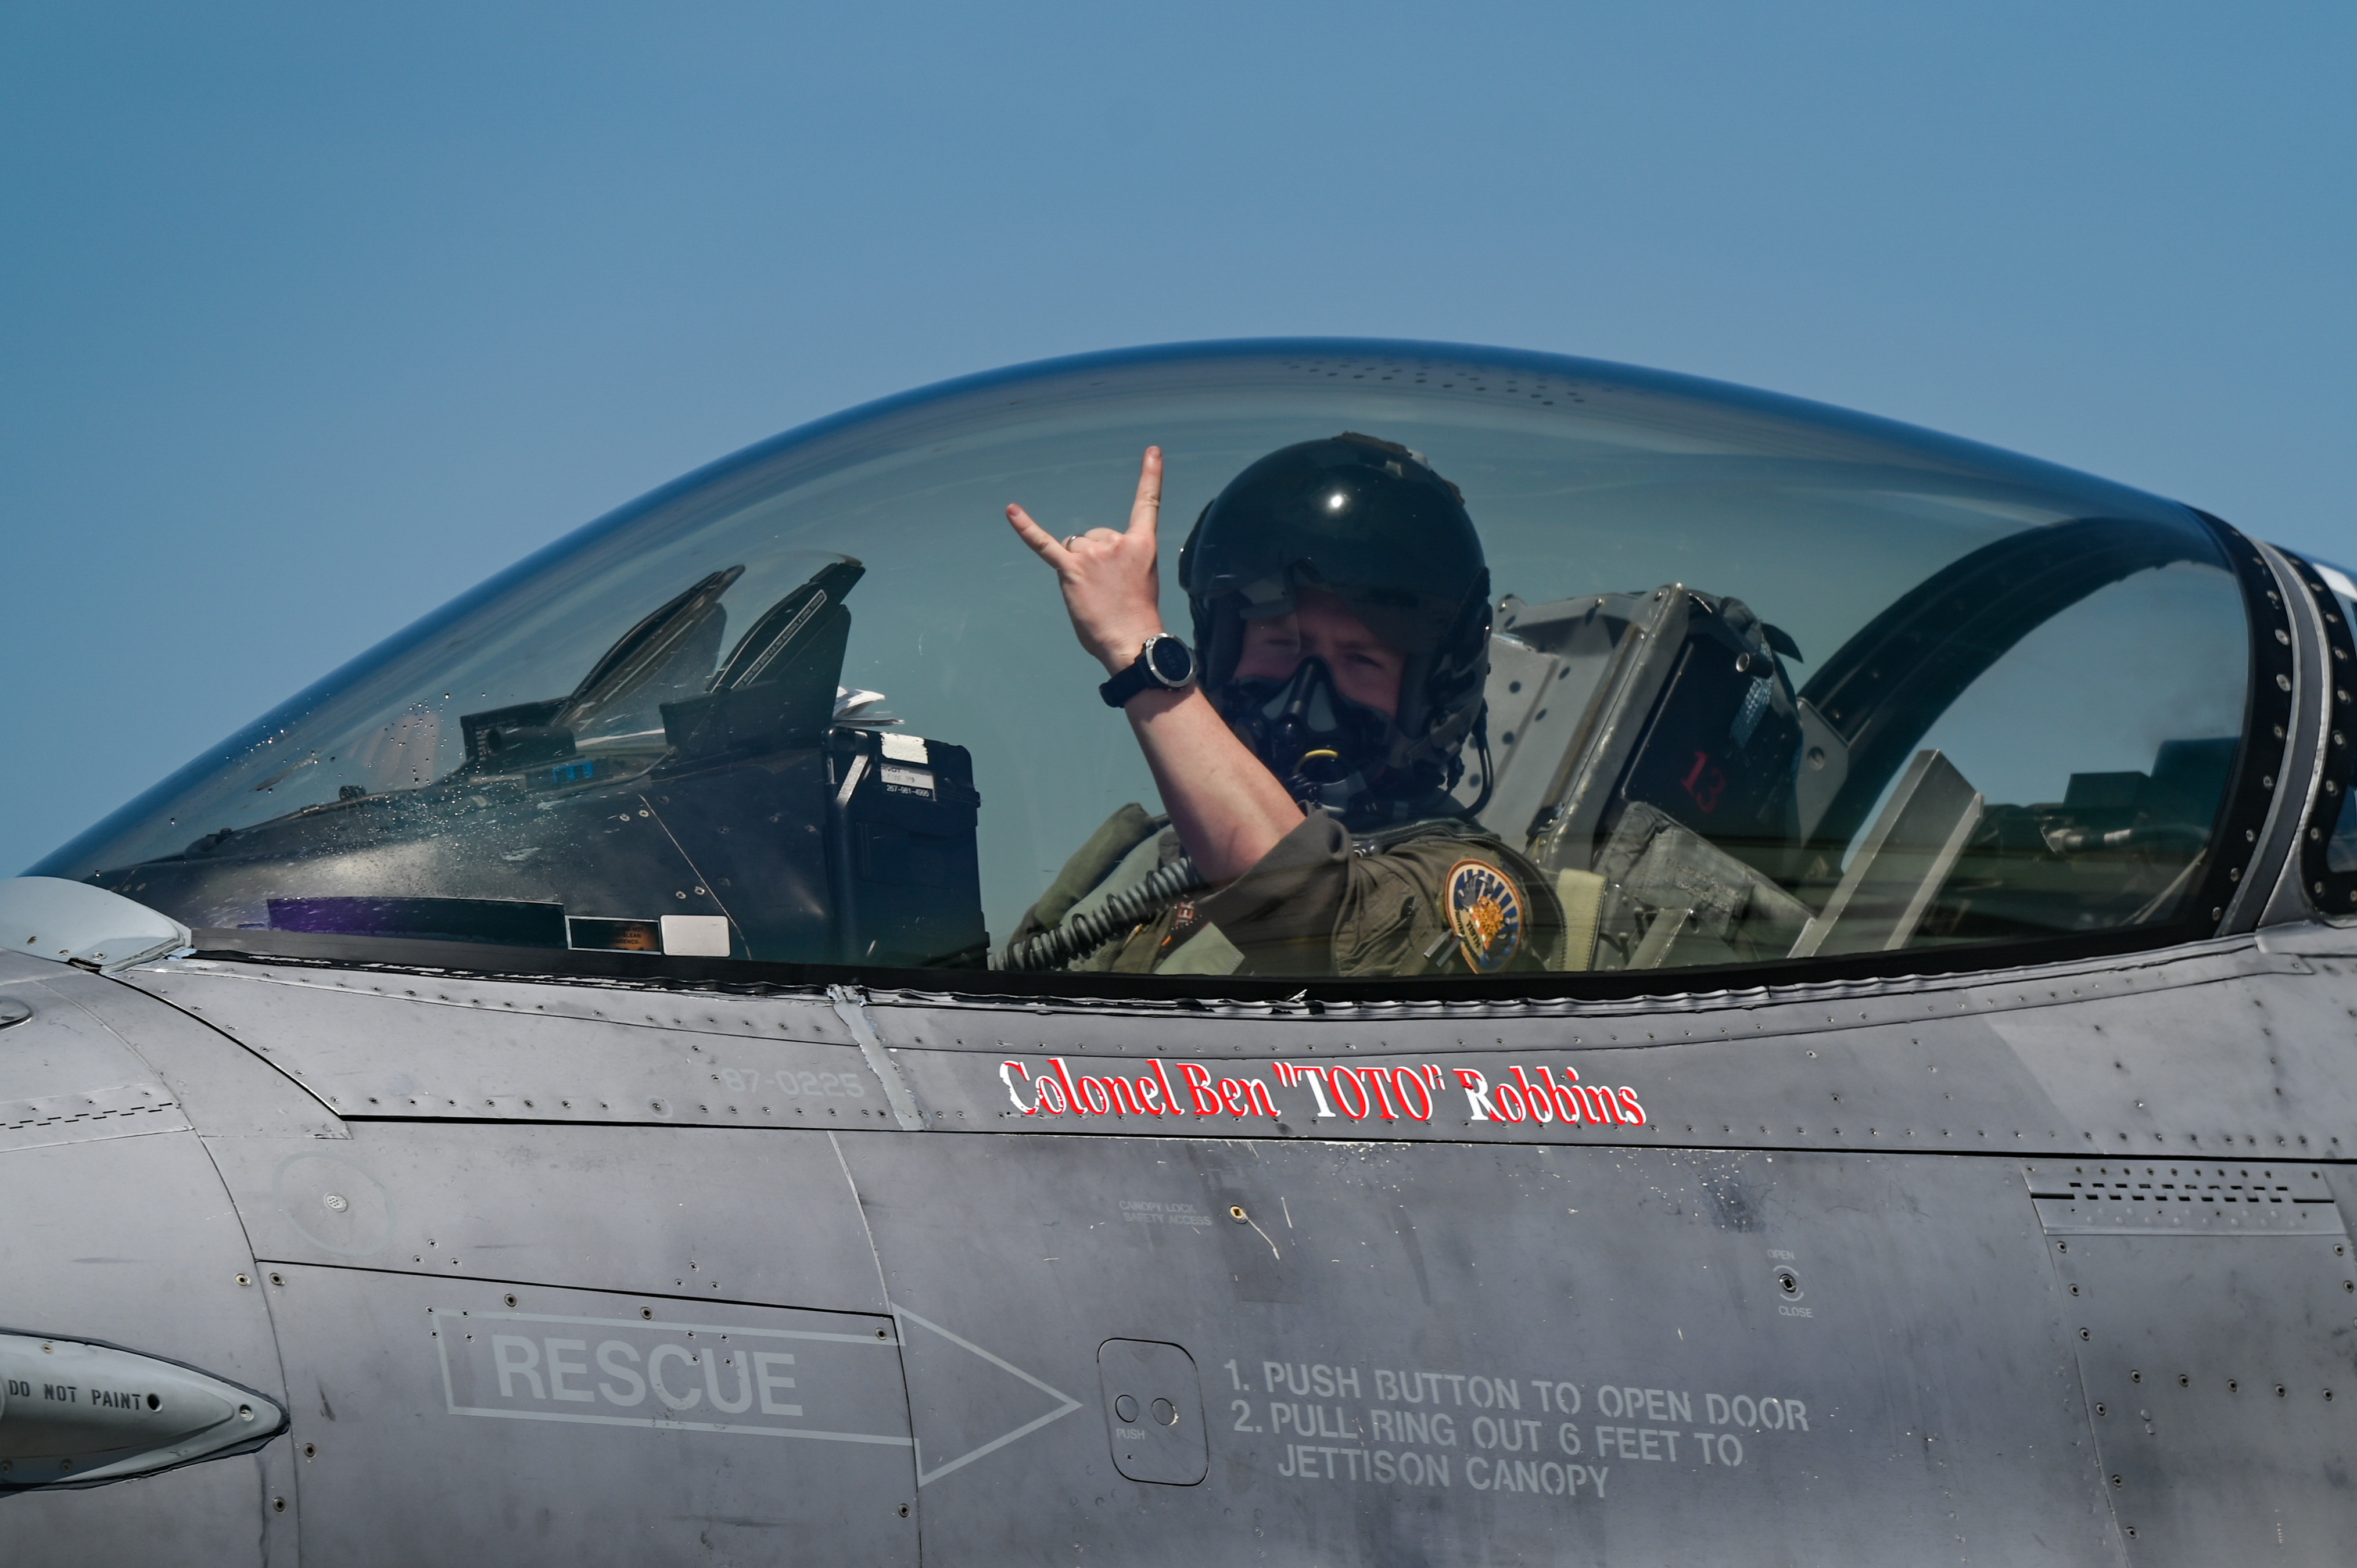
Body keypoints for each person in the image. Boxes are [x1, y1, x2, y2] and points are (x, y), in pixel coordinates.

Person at [1003, 433, 1574, 977]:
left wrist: (1138, 651)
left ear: (1431, 693)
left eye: (1360, 660)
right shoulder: (1150, 855)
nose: (1304, 697)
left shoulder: (1462, 879)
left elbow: (1314, 913)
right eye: (1281, 644)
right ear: (1224, 655)